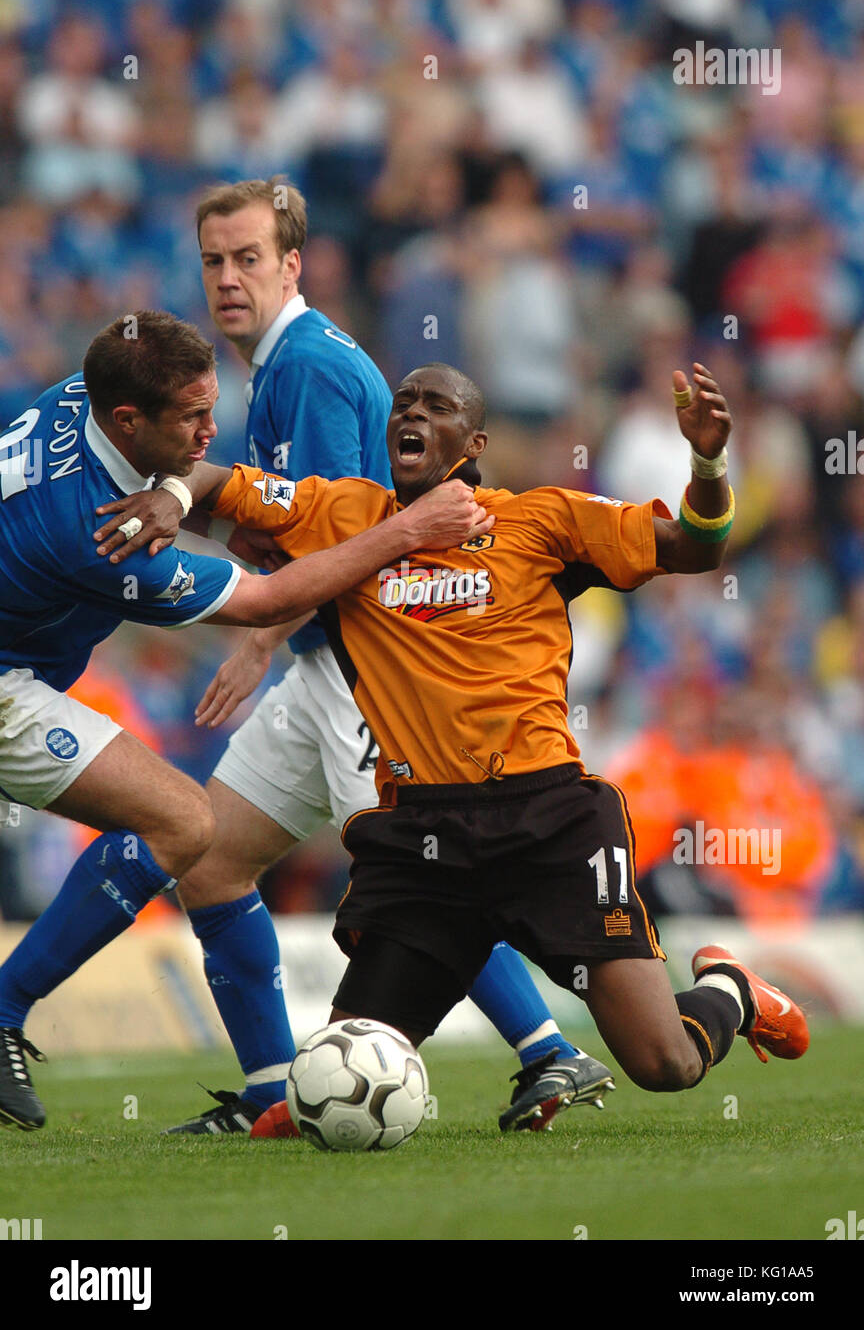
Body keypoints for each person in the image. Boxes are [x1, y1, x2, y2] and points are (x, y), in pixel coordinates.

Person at [104, 358, 808, 1113]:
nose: (411, 413)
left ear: (471, 441)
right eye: (404, 403)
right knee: (335, 1083)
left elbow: (697, 548)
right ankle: (331, 1092)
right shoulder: (342, 512)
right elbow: (221, 480)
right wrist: (175, 495)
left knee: (664, 1062)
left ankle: (730, 987)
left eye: (435, 405)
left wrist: (707, 461)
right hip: (423, 841)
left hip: (549, 823)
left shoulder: (542, 519)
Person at [132, 175, 612, 1136]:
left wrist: (261, 631)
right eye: (213, 263)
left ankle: (553, 1054)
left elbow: (348, 540)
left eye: (247, 260)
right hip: (318, 668)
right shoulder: (281, 365)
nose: (227, 279)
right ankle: (272, 1092)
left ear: (291, 264)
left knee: (432, 877)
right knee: (211, 863)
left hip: (359, 673)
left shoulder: (306, 367)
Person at [0, 312, 488, 1131]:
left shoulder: (83, 393)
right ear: (128, 420)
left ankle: (269, 1088)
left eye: (211, 406)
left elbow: (193, 497)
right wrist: (407, 530)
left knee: (200, 841)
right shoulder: (95, 536)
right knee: (183, 821)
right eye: (191, 419)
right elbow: (268, 600)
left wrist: (211, 501)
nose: (211, 431)